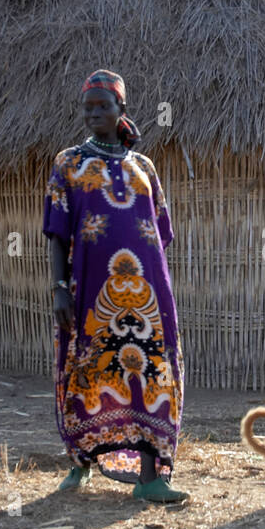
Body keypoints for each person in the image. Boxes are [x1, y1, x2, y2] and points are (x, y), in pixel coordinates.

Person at [44, 69, 188, 503]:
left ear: (121, 108)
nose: (94, 114)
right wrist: (58, 287)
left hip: (148, 293)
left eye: (103, 106)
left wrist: (154, 284)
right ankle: (80, 464)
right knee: (88, 367)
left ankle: (151, 476)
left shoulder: (144, 167)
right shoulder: (68, 163)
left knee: (152, 371)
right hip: (91, 289)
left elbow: (159, 234)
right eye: (88, 107)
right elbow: (56, 231)